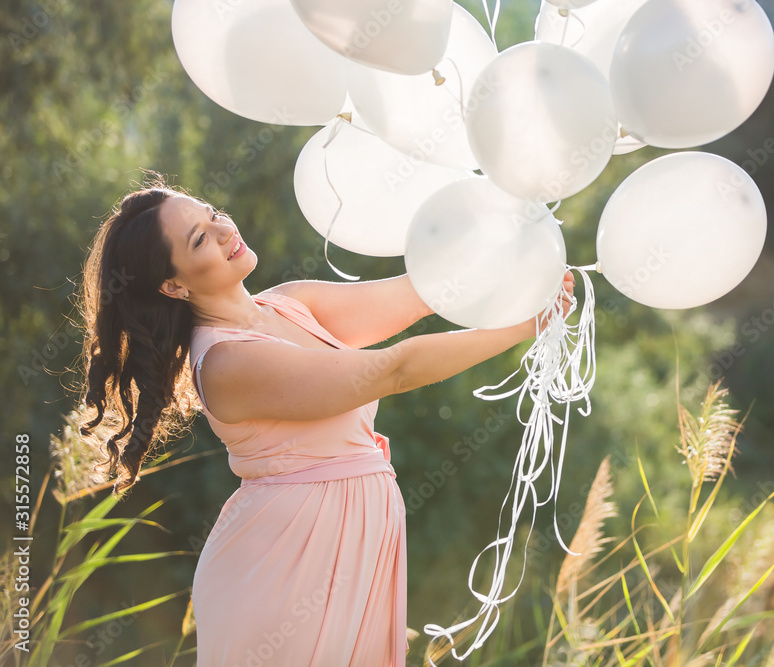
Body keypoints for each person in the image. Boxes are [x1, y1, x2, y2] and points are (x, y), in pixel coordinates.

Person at [77, 174, 574, 666]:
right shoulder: (228, 363)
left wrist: (516, 247)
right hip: (288, 569)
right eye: (202, 238)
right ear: (173, 284)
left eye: (212, 215)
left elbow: (425, 293)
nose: (225, 230)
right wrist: (526, 325)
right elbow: (393, 370)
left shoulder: (291, 304)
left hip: (356, 544)